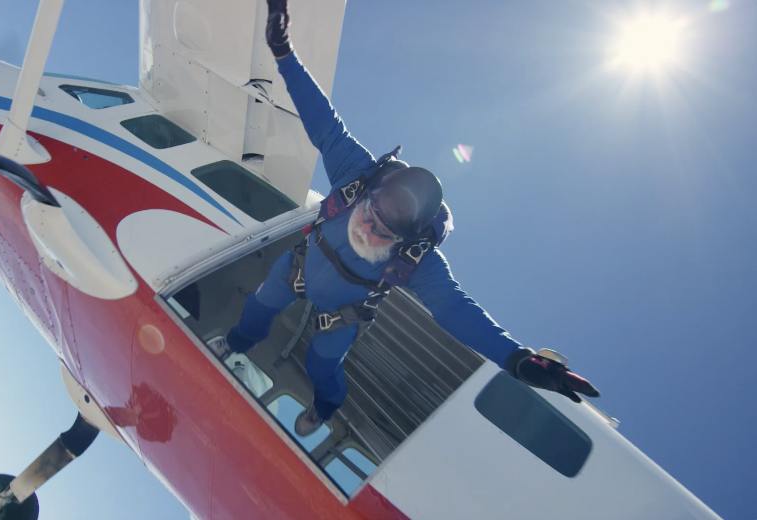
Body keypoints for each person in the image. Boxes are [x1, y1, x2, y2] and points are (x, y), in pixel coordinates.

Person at [208, 0, 600, 436]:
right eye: (376, 208)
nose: (372, 224)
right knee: (257, 309)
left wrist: (516, 358)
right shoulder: (355, 175)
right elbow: (322, 120)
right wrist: (283, 52)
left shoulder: (418, 260)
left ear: (411, 236)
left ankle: (326, 406)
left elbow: (455, 308)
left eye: (390, 226)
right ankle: (237, 344)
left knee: (324, 365)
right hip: (298, 268)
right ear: (375, 188)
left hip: (343, 311)